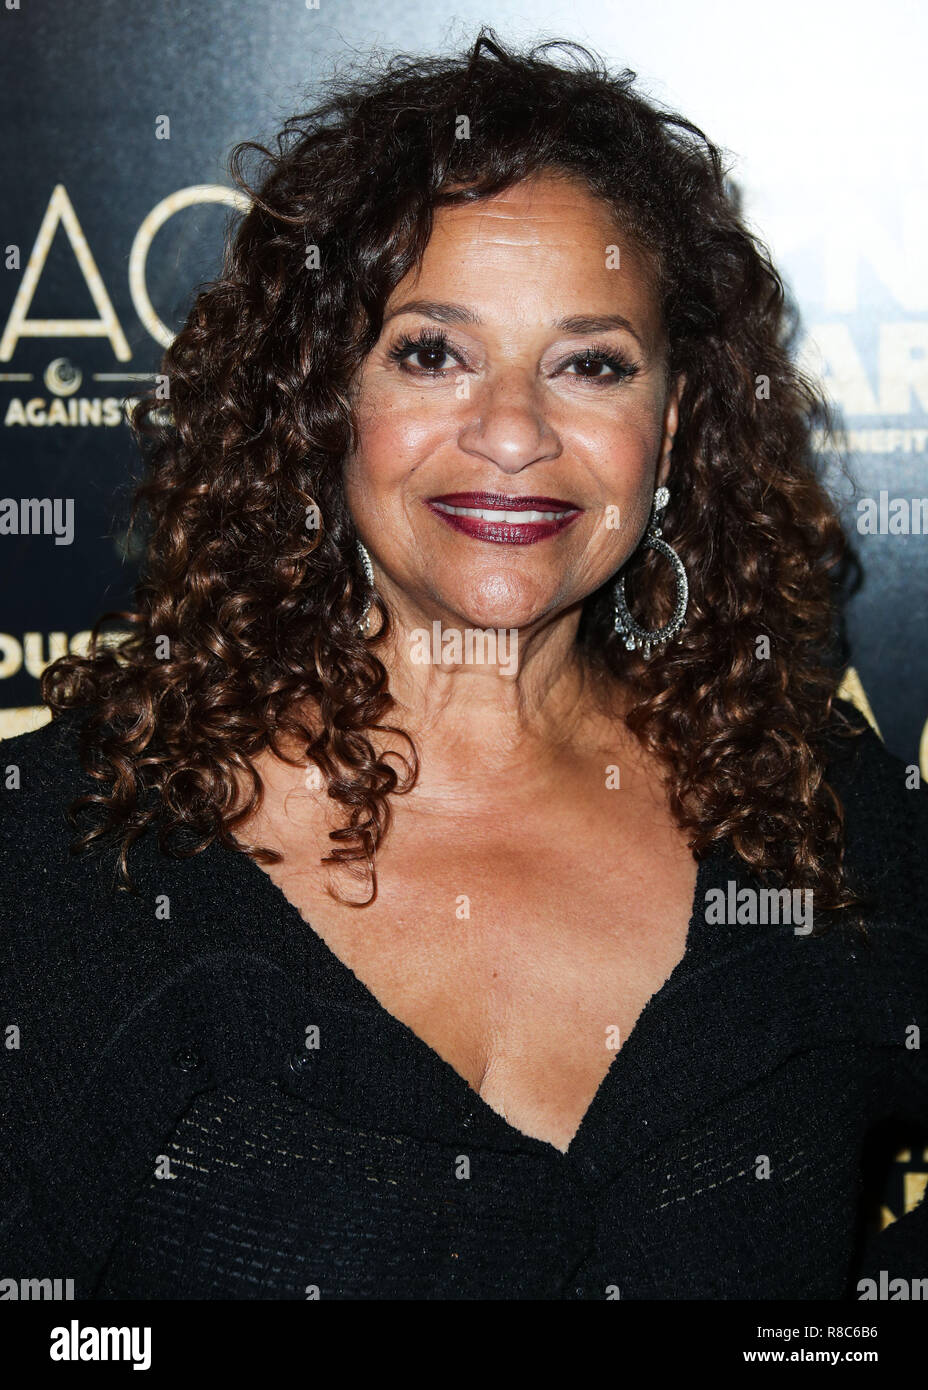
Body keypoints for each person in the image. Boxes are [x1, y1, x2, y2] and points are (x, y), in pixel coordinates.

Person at [1, 30, 925, 1300]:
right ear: (322, 400)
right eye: (432, 352)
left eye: (590, 363)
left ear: (672, 425)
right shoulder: (76, 847)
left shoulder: (814, 813)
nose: (510, 432)